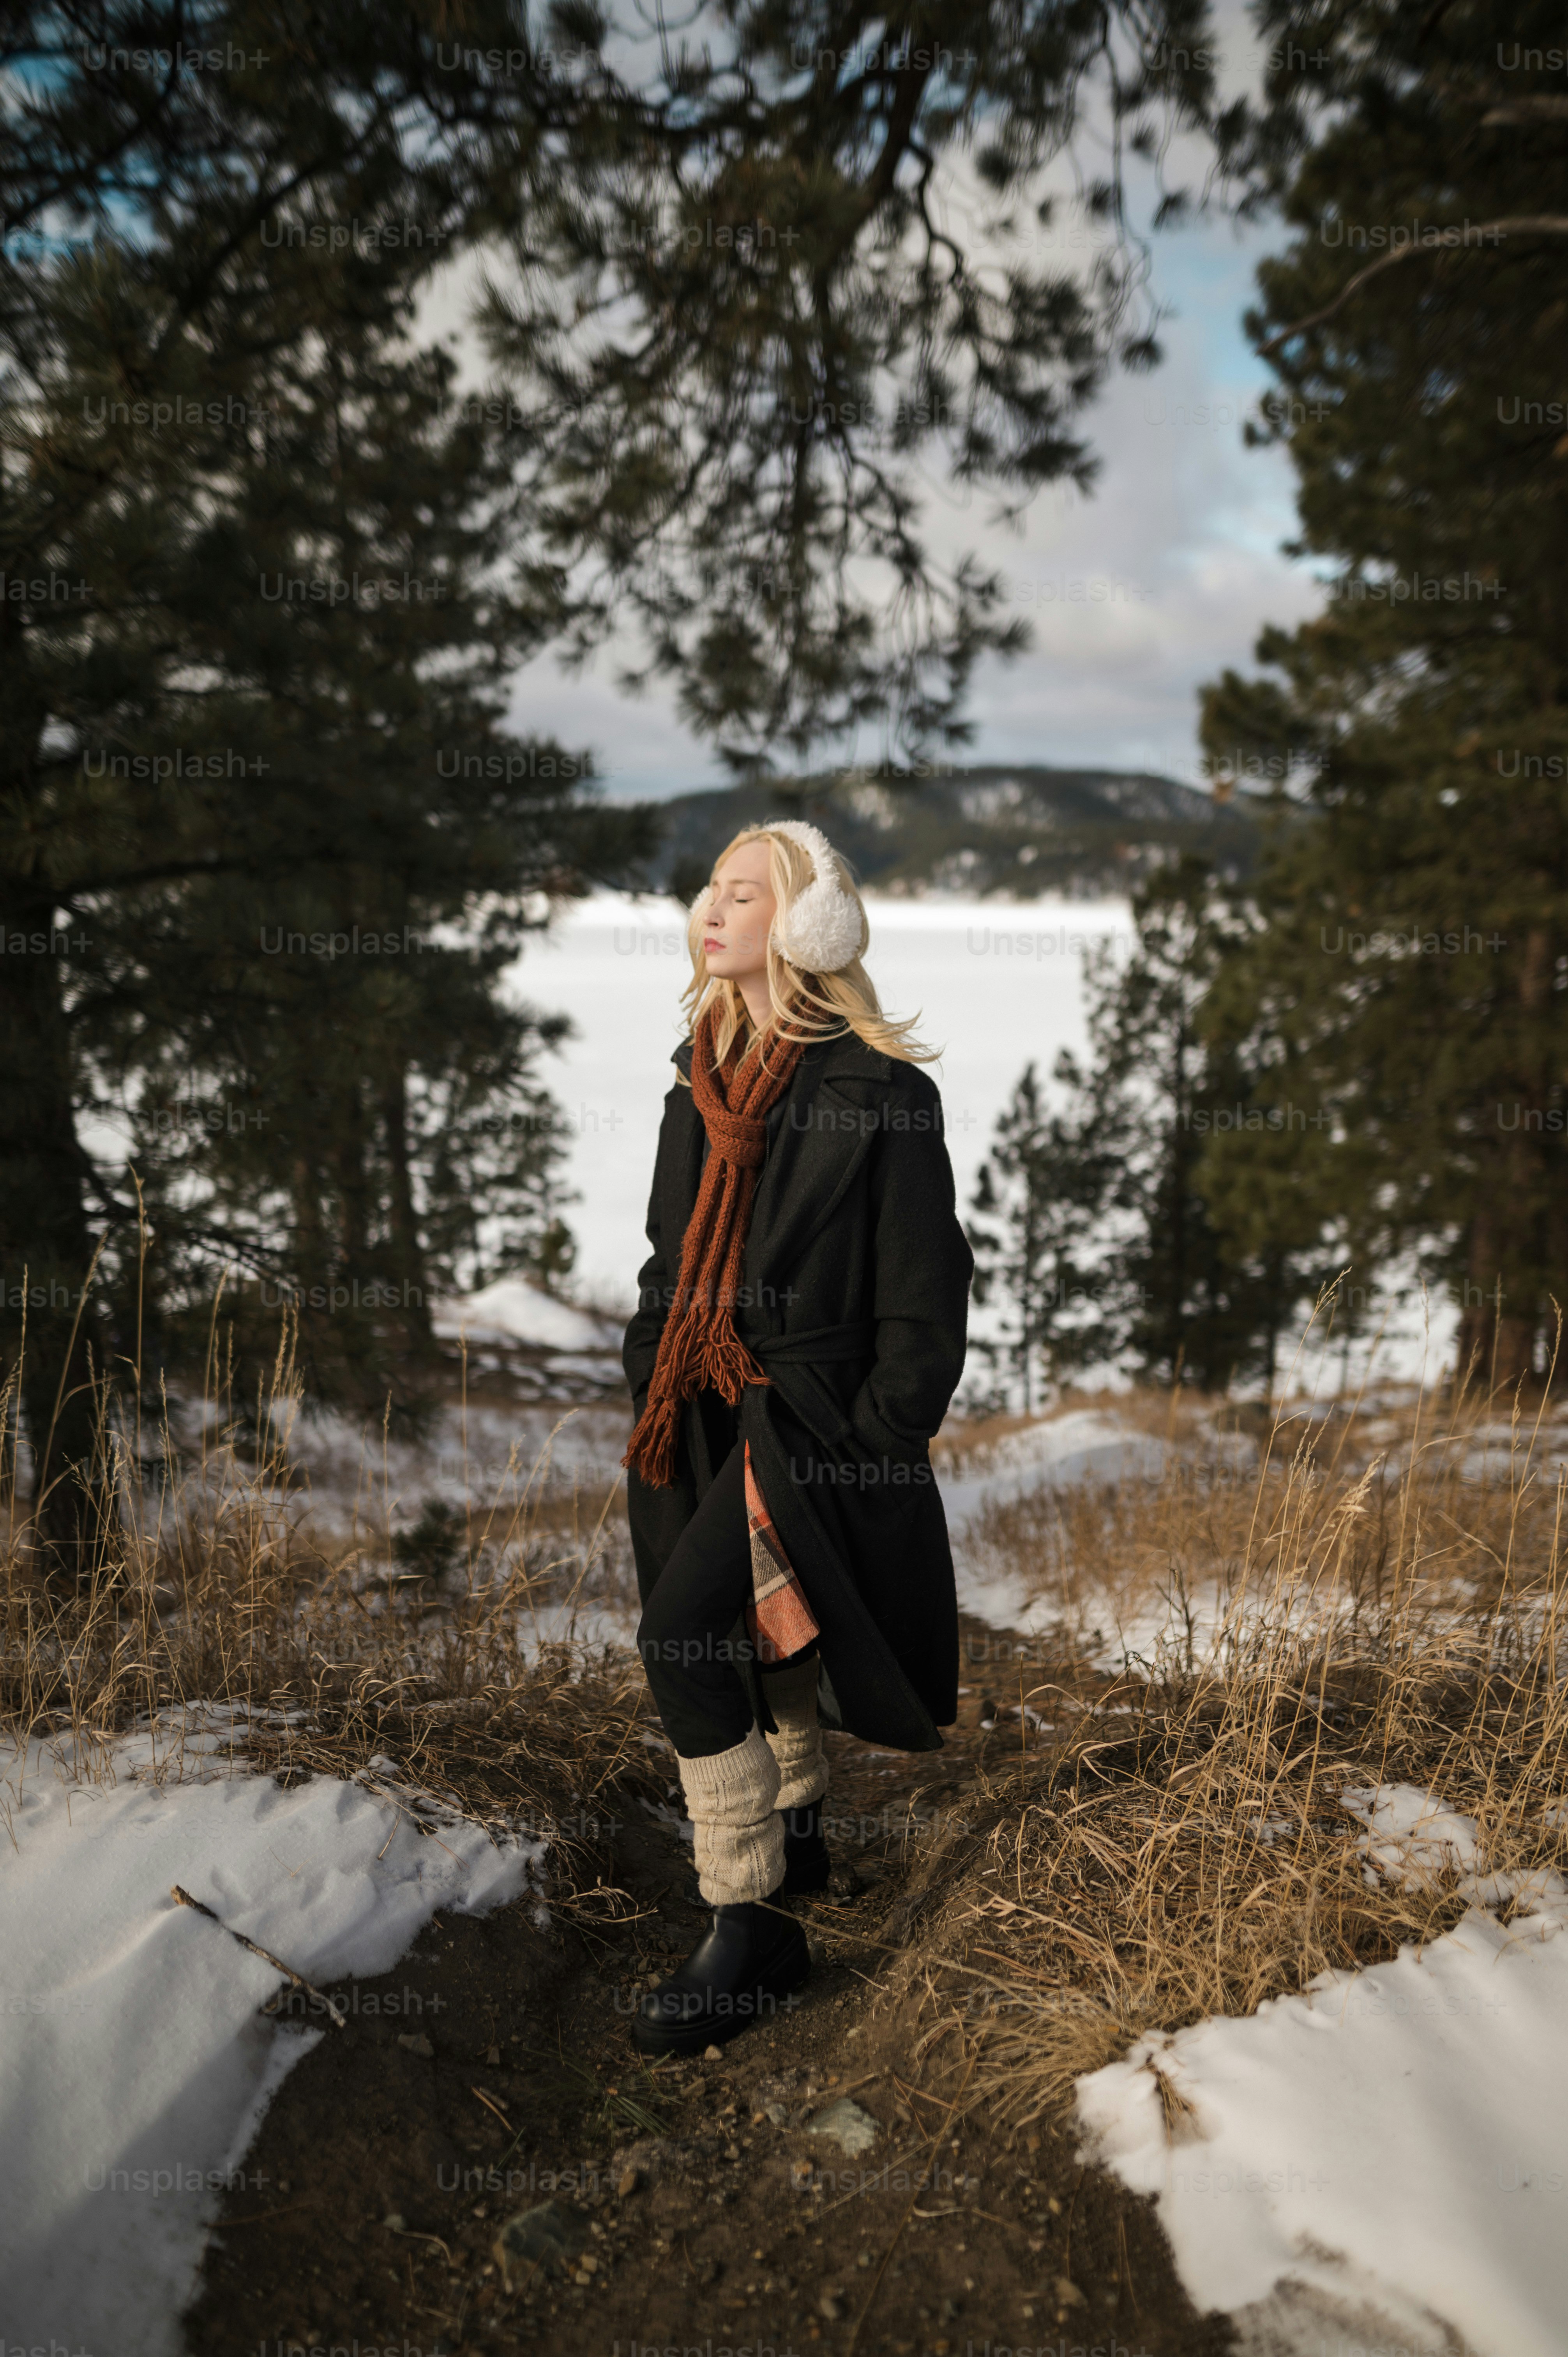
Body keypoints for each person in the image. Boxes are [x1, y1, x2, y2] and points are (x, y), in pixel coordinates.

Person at [620, 818, 974, 2056]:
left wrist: (874, 1441)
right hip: (696, 1403)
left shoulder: (885, 1094)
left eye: (742, 894)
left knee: (679, 1636)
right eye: (708, 893)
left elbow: (927, 1303)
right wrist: (652, 1370)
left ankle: (753, 1920)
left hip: (812, 1420)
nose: (710, 913)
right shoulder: (699, 1079)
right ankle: (802, 1834)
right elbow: (667, 1262)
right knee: (752, 1627)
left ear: (809, 925)